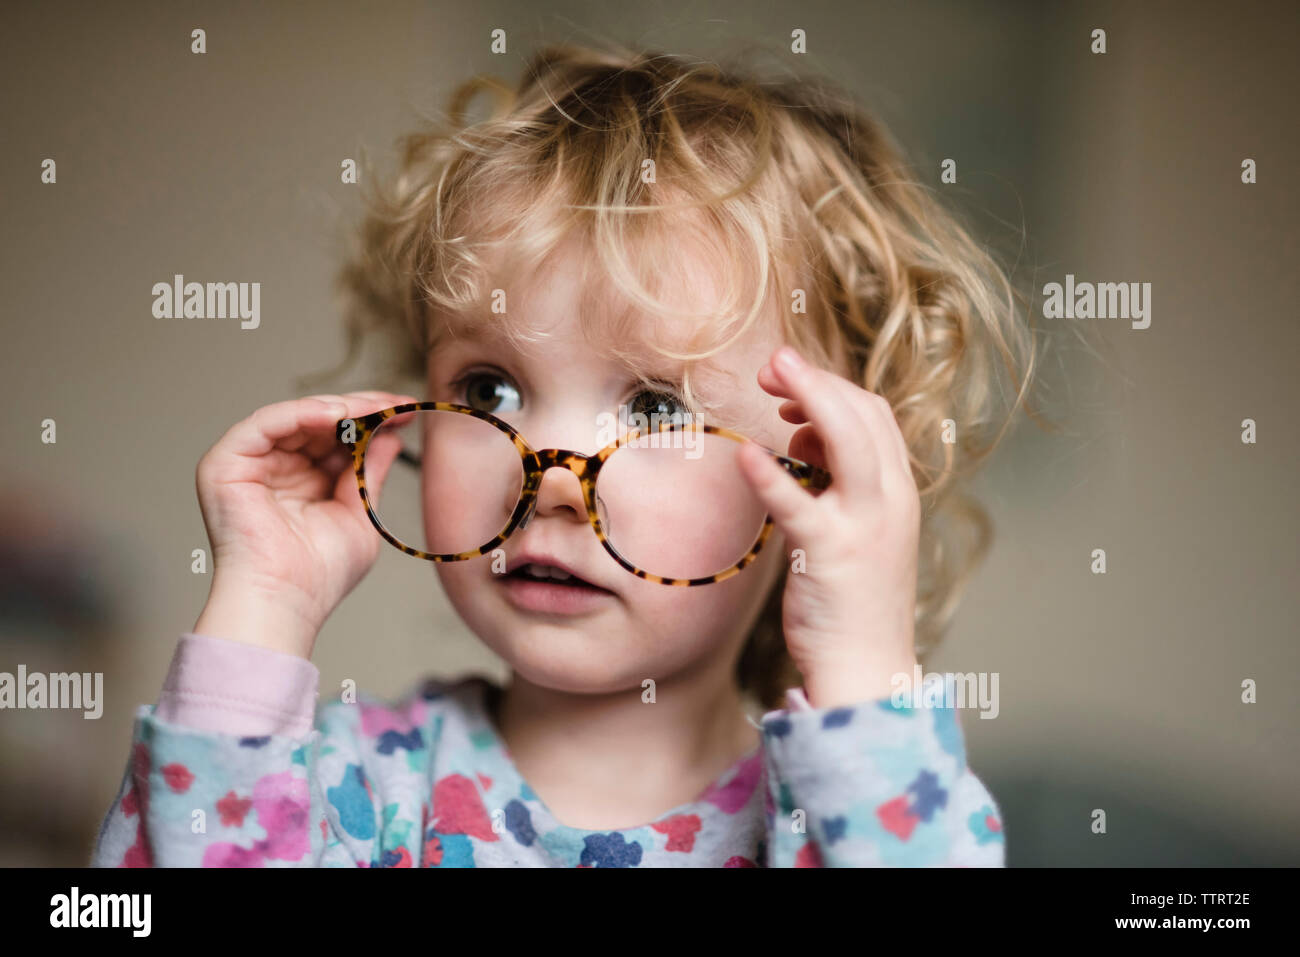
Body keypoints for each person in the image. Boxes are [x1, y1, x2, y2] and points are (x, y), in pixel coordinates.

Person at [92, 42, 1036, 867]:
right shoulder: (346, 787)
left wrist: (866, 665)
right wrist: (263, 608)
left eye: (658, 407)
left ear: (817, 476)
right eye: (489, 390)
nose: (545, 475)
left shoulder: (825, 822)